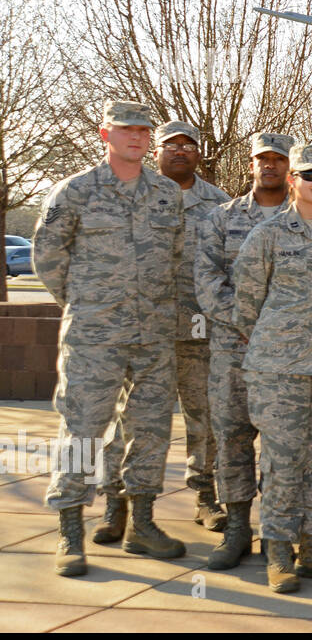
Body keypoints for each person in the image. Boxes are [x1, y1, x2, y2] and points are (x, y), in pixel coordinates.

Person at [34, 100, 188, 577]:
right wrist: (86, 302)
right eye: (126, 130)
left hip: (155, 334)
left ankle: (141, 523)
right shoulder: (75, 191)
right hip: (94, 336)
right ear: (106, 134)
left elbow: (177, 258)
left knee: (151, 430)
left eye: (144, 130)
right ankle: (70, 531)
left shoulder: (166, 194)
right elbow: (46, 255)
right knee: (81, 429)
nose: (137, 138)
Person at [94, 120, 230, 543]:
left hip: (199, 330)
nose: (180, 152)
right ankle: (118, 501)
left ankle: (205, 495)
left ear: (199, 154)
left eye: (189, 146)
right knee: (132, 419)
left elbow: (231, 266)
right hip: (143, 331)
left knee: (204, 418)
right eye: (171, 145)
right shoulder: (135, 194)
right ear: (157, 152)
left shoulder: (219, 203)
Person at [234, 143, 312, 593]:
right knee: (283, 461)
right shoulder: (267, 235)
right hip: (279, 369)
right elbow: (246, 302)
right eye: (310, 175)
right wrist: (277, 341)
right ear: (293, 180)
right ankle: (279, 553)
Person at [195, 131, 294, 570]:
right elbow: (207, 279)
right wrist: (248, 322)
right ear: (250, 164)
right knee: (232, 436)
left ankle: (277, 534)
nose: (269, 165)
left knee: (283, 445)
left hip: (287, 354)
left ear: (290, 166)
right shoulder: (221, 218)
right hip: (233, 351)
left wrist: (273, 327)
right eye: (262, 159)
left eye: (278, 159)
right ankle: (237, 527)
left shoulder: (305, 217)